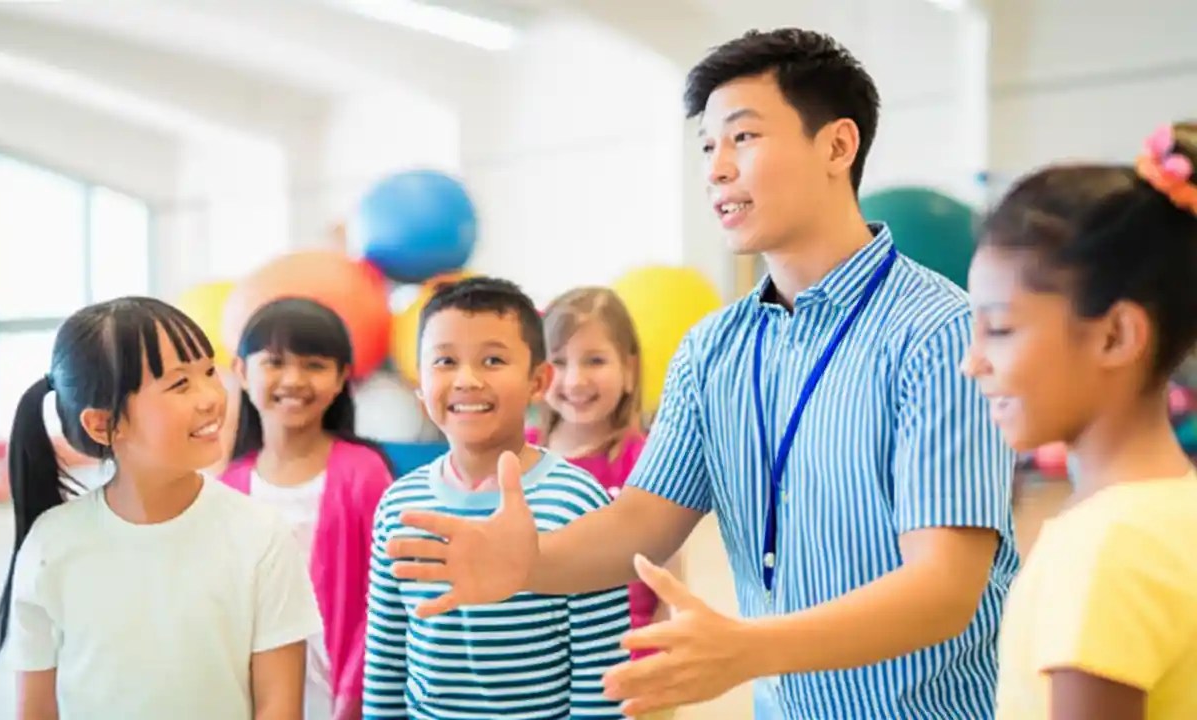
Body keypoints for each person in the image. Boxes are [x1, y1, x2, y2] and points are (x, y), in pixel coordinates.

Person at [385, 28, 1017, 720]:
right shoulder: (713, 349)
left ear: (837, 146)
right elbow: (644, 519)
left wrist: (750, 649)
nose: (717, 169)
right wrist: (528, 560)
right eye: (708, 146)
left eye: (743, 138)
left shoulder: (939, 332)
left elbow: (944, 590)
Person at [962, 121, 1197, 720]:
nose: (972, 362)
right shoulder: (1175, 508)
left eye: (1002, 329)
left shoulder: (1103, 550)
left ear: (1116, 335)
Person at [0, 297, 322, 720]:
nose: (210, 398)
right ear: (104, 424)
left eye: (207, 372)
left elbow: (279, 706)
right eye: (180, 384)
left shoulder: (260, 534)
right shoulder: (51, 546)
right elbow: (35, 711)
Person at [362, 277, 630, 719]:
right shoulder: (398, 506)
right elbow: (387, 663)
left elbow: (599, 677)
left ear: (538, 381)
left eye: (492, 360)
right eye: (445, 360)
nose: (467, 380)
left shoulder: (579, 501)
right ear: (419, 384)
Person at [221, 298, 395, 720]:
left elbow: (388, 598)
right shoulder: (228, 487)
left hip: (348, 695)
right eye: (276, 362)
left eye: (315, 365)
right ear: (242, 372)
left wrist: (355, 694)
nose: (294, 380)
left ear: (341, 379)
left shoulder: (364, 473)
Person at [528, 287, 682, 660]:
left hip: (628, 660)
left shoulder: (647, 461)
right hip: (541, 661)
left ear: (629, 371)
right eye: (559, 362)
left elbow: (670, 581)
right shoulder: (517, 454)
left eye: (595, 360)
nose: (576, 380)